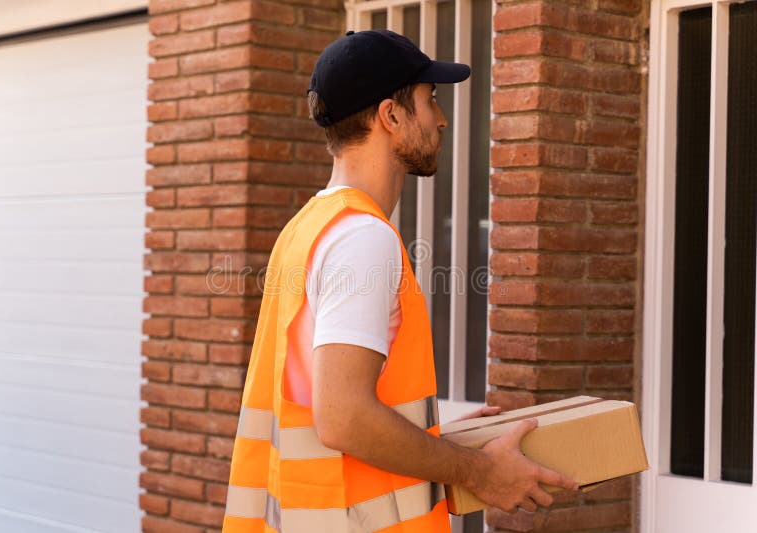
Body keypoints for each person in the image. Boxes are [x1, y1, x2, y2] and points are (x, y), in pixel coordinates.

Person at [222, 29, 577, 533]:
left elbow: (324, 409)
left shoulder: (309, 227)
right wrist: (480, 471)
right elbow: (343, 417)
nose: (442, 118)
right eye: (429, 101)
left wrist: (438, 441)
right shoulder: (362, 238)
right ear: (391, 116)